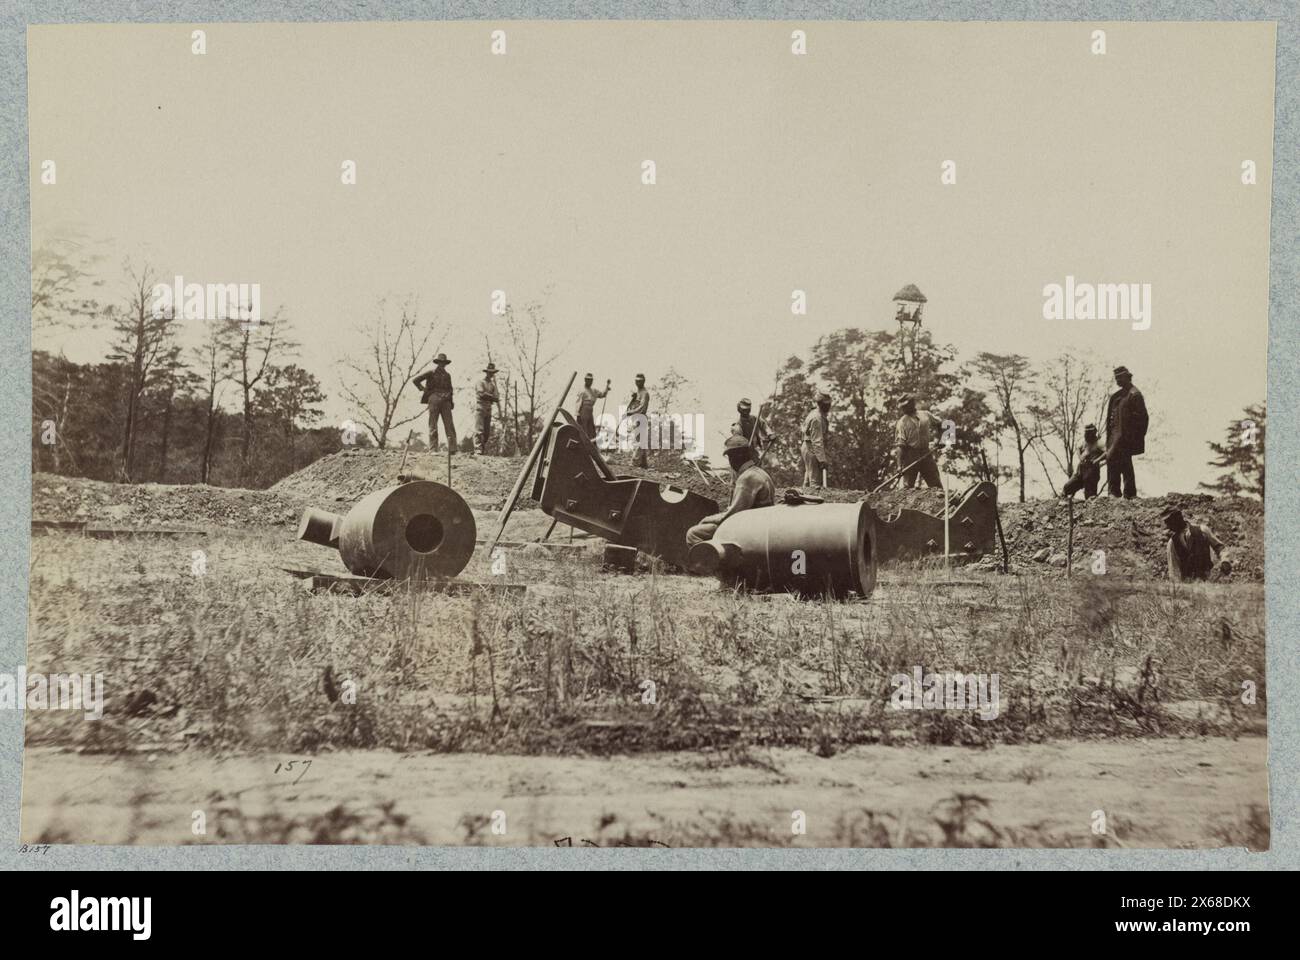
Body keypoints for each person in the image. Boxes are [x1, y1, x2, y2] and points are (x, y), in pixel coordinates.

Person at [686, 434, 776, 546]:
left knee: (693, 533)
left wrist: (708, 519)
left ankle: (717, 563)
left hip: (750, 528)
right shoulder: (760, 473)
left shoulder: (747, 478)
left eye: (730, 457)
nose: (730, 461)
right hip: (761, 524)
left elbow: (734, 515)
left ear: (735, 456)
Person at [1104, 365, 1149, 499]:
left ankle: (1129, 493)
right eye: (1115, 378)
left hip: (1126, 437)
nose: (1117, 381)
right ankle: (1114, 492)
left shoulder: (1135, 395)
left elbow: (1143, 419)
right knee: (1113, 460)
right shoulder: (1116, 396)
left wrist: (1133, 437)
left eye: (1120, 377)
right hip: (1114, 436)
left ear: (1127, 377)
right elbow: (1110, 419)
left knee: (1124, 462)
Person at [1163, 507, 1227, 581]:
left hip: (1209, 580)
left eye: (1170, 522)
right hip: (1188, 585)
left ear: (1179, 517)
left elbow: (1220, 547)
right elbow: (1174, 571)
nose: (1169, 527)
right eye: (1167, 523)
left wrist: (1225, 560)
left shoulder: (1202, 530)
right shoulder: (1172, 543)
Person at [893, 395, 942, 488]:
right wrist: (899, 466)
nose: (903, 409)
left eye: (905, 406)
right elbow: (900, 445)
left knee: (936, 485)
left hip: (926, 453)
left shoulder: (925, 415)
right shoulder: (902, 422)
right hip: (910, 456)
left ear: (912, 403)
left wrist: (942, 439)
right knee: (907, 488)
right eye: (902, 407)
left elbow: (942, 423)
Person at [411, 353, 456, 452]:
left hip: (446, 401)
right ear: (437, 362)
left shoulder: (448, 375)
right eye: (440, 362)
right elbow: (416, 380)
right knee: (433, 424)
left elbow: (451, 389)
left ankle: (453, 449)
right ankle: (433, 449)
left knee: (449, 424)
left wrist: (450, 401)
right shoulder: (431, 372)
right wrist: (424, 390)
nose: (442, 364)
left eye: (443, 363)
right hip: (434, 399)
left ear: (445, 364)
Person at [1062, 423, 1105, 500]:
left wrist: (1097, 460)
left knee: (1089, 495)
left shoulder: (1099, 443)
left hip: (1091, 470)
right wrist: (1080, 457)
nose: (1086, 434)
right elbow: (1078, 448)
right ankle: (1063, 501)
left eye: (1089, 432)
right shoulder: (1085, 442)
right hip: (1081, 470)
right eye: (1086, 432)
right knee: (1067, 487)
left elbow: (1107, 452)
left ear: (1093, 432)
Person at [802, 393, 831, 489]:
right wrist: (822, 460)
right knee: (815, 482)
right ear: (820, 404)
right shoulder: (816, 418)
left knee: (809, 477)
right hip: (812, 448)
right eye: (826, 404)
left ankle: (805, 495)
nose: (828, 406)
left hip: (809, 446)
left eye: (829, 404)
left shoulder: (817, 414)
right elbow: (817, 441)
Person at [625, 373, 650, 467]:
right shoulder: (638, 392)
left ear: (643, 382)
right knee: (640, 440)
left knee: (638, 441)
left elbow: (642, 408)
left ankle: (635, 462)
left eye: (640, 381)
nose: (638, 383)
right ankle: (643, 464)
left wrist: (630, 412)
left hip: (641, 417)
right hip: (636, 418)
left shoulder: (645, 393)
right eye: (637, 381)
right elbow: (636, 404)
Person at [474, 363, 500, 454]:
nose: (491, 374)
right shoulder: (480, 382)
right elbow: (481, 394)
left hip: (488, 408)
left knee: (487, 432)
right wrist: (491, 397)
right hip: (480, 407)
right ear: (486, 372)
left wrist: (489, 396)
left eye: (492, 372)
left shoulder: (492, 385)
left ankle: (482, 449)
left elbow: (497, 397)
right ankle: (478, 449)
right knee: (479, 430)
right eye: (489, 372)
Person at [575, 373, 610, 440]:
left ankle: (591, 444)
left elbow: (602, 394)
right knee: (584, 428)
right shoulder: (582, 390)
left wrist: (607, 386)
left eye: (591, 380)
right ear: (585, 380)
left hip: (590, 411)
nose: (589, 382)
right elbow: (578, 402)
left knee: (591, 428)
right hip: (583, 410)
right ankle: (583, 443)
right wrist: (578, 414)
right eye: (588, 380)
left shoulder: (593, 390)